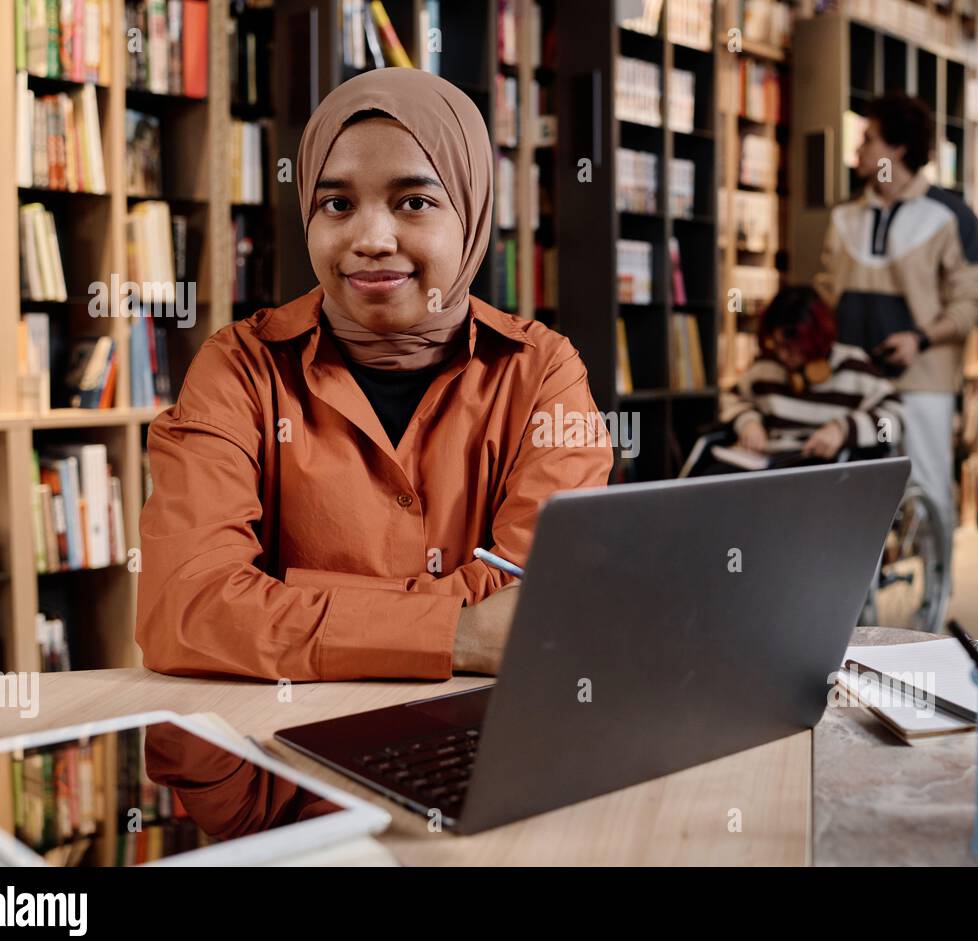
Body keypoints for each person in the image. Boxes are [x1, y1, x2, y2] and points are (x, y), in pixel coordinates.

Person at [135, 68, 613, 682]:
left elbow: (536, 598)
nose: (371, 239)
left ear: (470, 209)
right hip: (280, 749)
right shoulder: (239, 367)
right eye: (337, 204)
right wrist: (459, 634)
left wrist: (284, 603)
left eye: (414, 202)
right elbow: (187, 608)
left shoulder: (542, 370)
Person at [813, 92, 978, 583]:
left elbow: (975, 299)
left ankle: (938, 596)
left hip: (924, 379)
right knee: (851, 493)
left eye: (868, 139)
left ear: (898, 150)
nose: (858, 151)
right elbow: (826, 295)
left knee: (930, 488)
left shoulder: (950, 216)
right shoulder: (844, 216)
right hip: (853, 382)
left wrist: (921, 337)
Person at [720, 284, 903, 463]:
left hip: (827, 472)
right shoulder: (767, 366)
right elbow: (731, 398)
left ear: (816, 340)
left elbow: (894, 421)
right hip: (769, 466)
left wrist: (844, 430)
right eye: (777, 344)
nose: (782, 355)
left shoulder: (853, 366)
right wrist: (748, 422)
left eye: (792, 348)